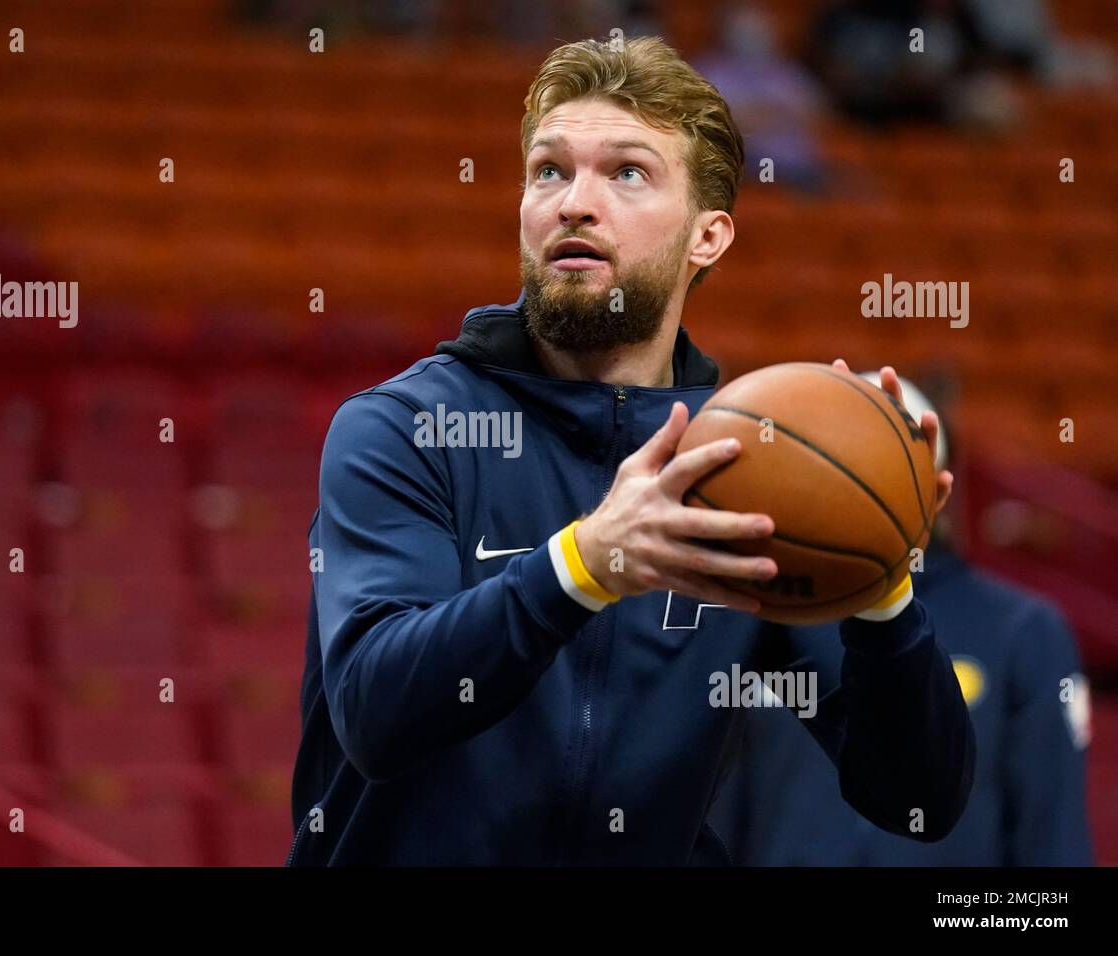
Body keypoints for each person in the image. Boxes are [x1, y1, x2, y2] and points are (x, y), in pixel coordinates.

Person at [288, 36, 973, 865]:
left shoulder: (749, 468)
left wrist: (883, 590)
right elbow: (374, 710)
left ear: (708, 237)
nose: (574, 202)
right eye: (549, 170)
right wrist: (582, 566)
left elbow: (916, 802)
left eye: (627, 173)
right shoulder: (403, 427)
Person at [707, 375, 1094, 866]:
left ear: (937, 487)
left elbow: (1052, 835)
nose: (855, 464)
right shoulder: (760, 610)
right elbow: (717, 813)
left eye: (879, 449)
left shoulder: (1025, 628)